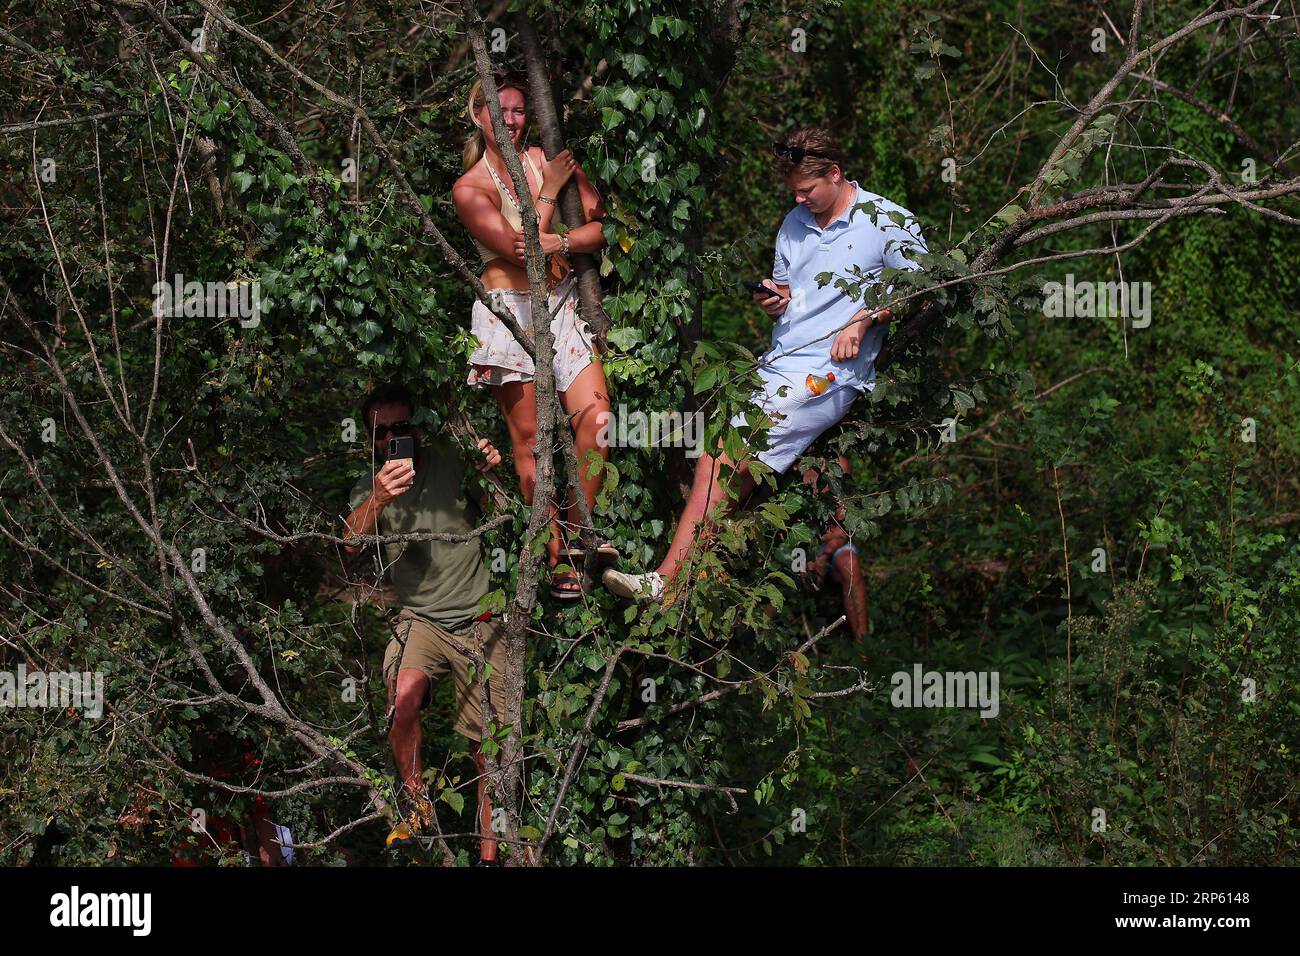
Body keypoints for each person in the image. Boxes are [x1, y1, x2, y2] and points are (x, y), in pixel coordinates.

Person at [603, 127, 927, 603]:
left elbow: (921, 285)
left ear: (835, 174)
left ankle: (666, 580)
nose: (798, 198)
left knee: (727, 455)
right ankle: (700, 579)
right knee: (718, 453)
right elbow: (791, 291)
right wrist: (775, 300)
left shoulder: (885, 219)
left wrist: (865, 319)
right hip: (779, 363)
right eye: (793, 190)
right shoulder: (794, 223)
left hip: (830, 373)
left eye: (807, 189)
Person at [452, 75, 616, 600]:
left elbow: (598, 225)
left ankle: (577, 536)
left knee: (600, 419)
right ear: (478, 115)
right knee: (530, 442)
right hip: (511, 314)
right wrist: (547, 193)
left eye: (520, 110)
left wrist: (559, 238)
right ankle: (554, 555)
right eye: (500, 110)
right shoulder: (470, 187)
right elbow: (515, 249)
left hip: (562, 304)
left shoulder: (547, 158)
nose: (512, 119)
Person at [342, 382, 506, 863]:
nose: (395, 438)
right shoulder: (369, 485)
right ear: (370, 439)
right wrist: (377, 498)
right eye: (383, 431)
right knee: (401, 698)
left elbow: (504, 513)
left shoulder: (451, 461)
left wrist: (491, 471)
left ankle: (490, 853)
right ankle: (418, 809)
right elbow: (349, 542)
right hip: (421, 620)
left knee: (488, 747)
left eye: (403, 427)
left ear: (419, 427)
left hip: (480, 614)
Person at [802, 457, 870, 647]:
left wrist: (824, 555)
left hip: (833, 542)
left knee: (851, 564)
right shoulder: (791, 462)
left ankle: (864, 647)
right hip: (800, 543)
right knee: (796, 572)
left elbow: (845, 527)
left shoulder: (838, 465)